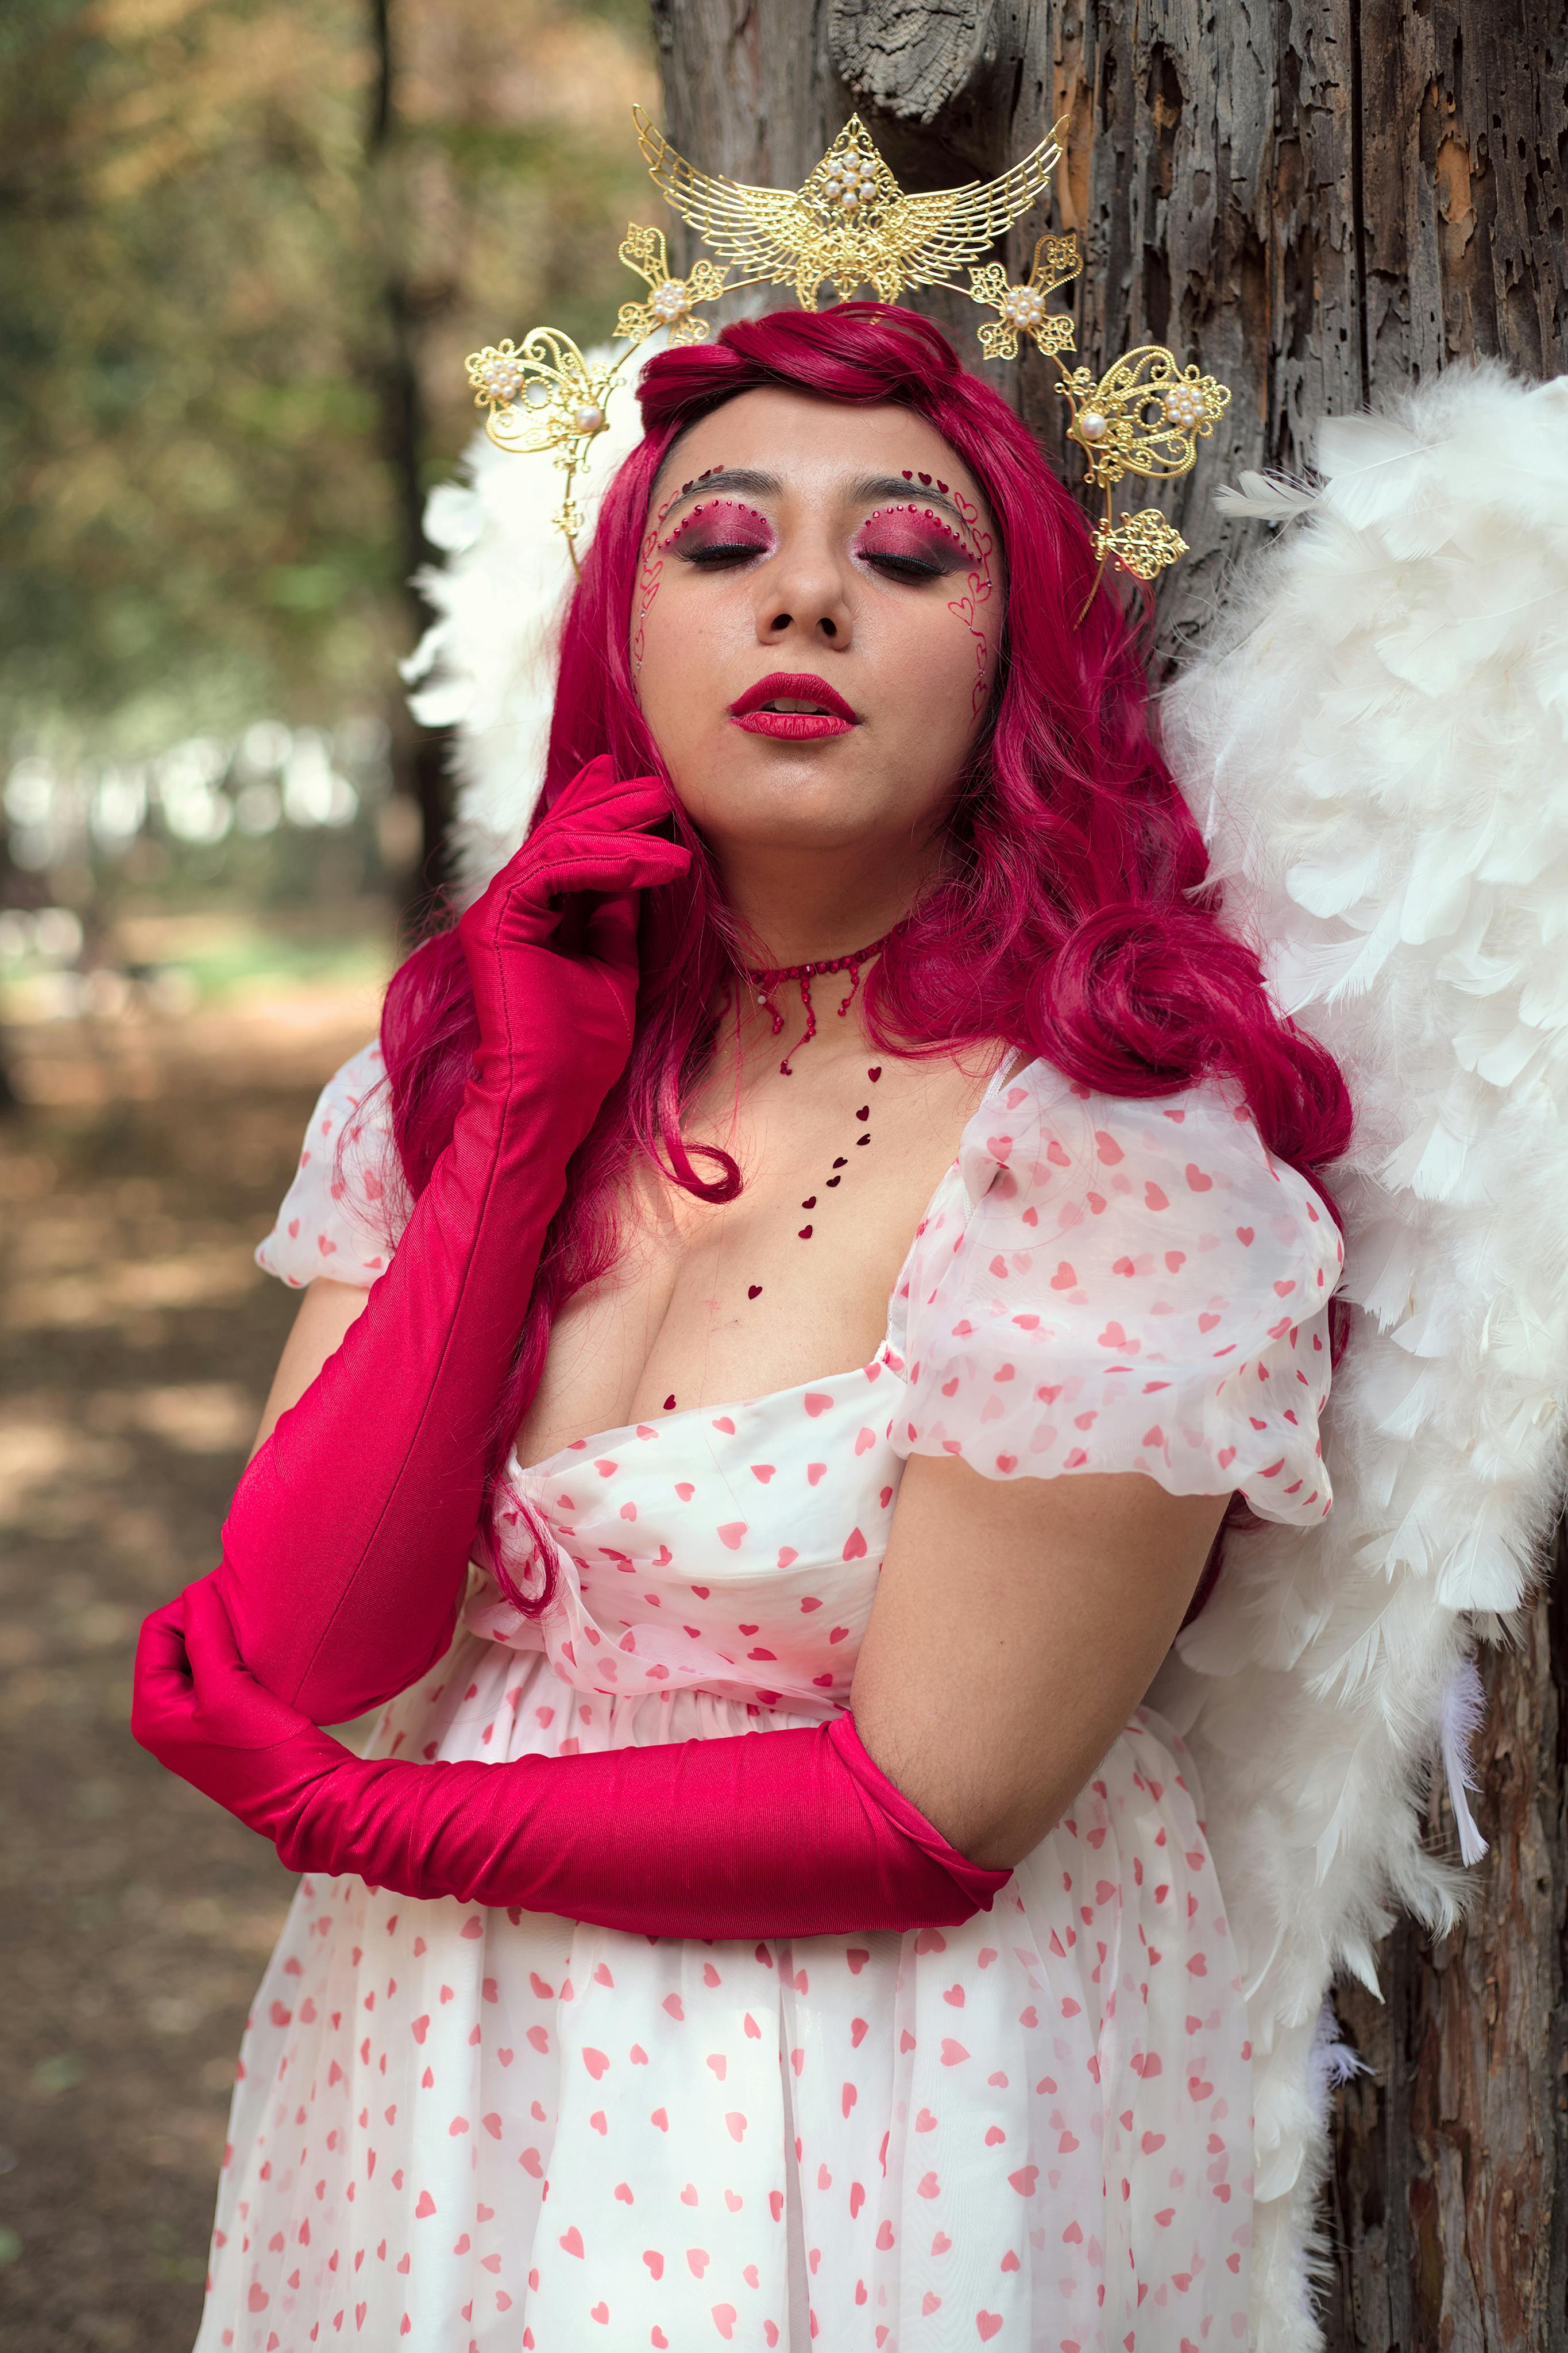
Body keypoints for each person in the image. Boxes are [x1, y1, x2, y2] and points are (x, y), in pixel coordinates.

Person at [133, 303, 1351, 2351]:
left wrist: (365, 1819)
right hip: (440, 2052)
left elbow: (932, 1814)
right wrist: (519, 1123)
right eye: (720, 544)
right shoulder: (455, 1075)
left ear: (1017, 665)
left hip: (882, 2081)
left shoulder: (1107, 1151)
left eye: (906, 554)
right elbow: (319, 1643)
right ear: (623, 635)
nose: (803, 595)